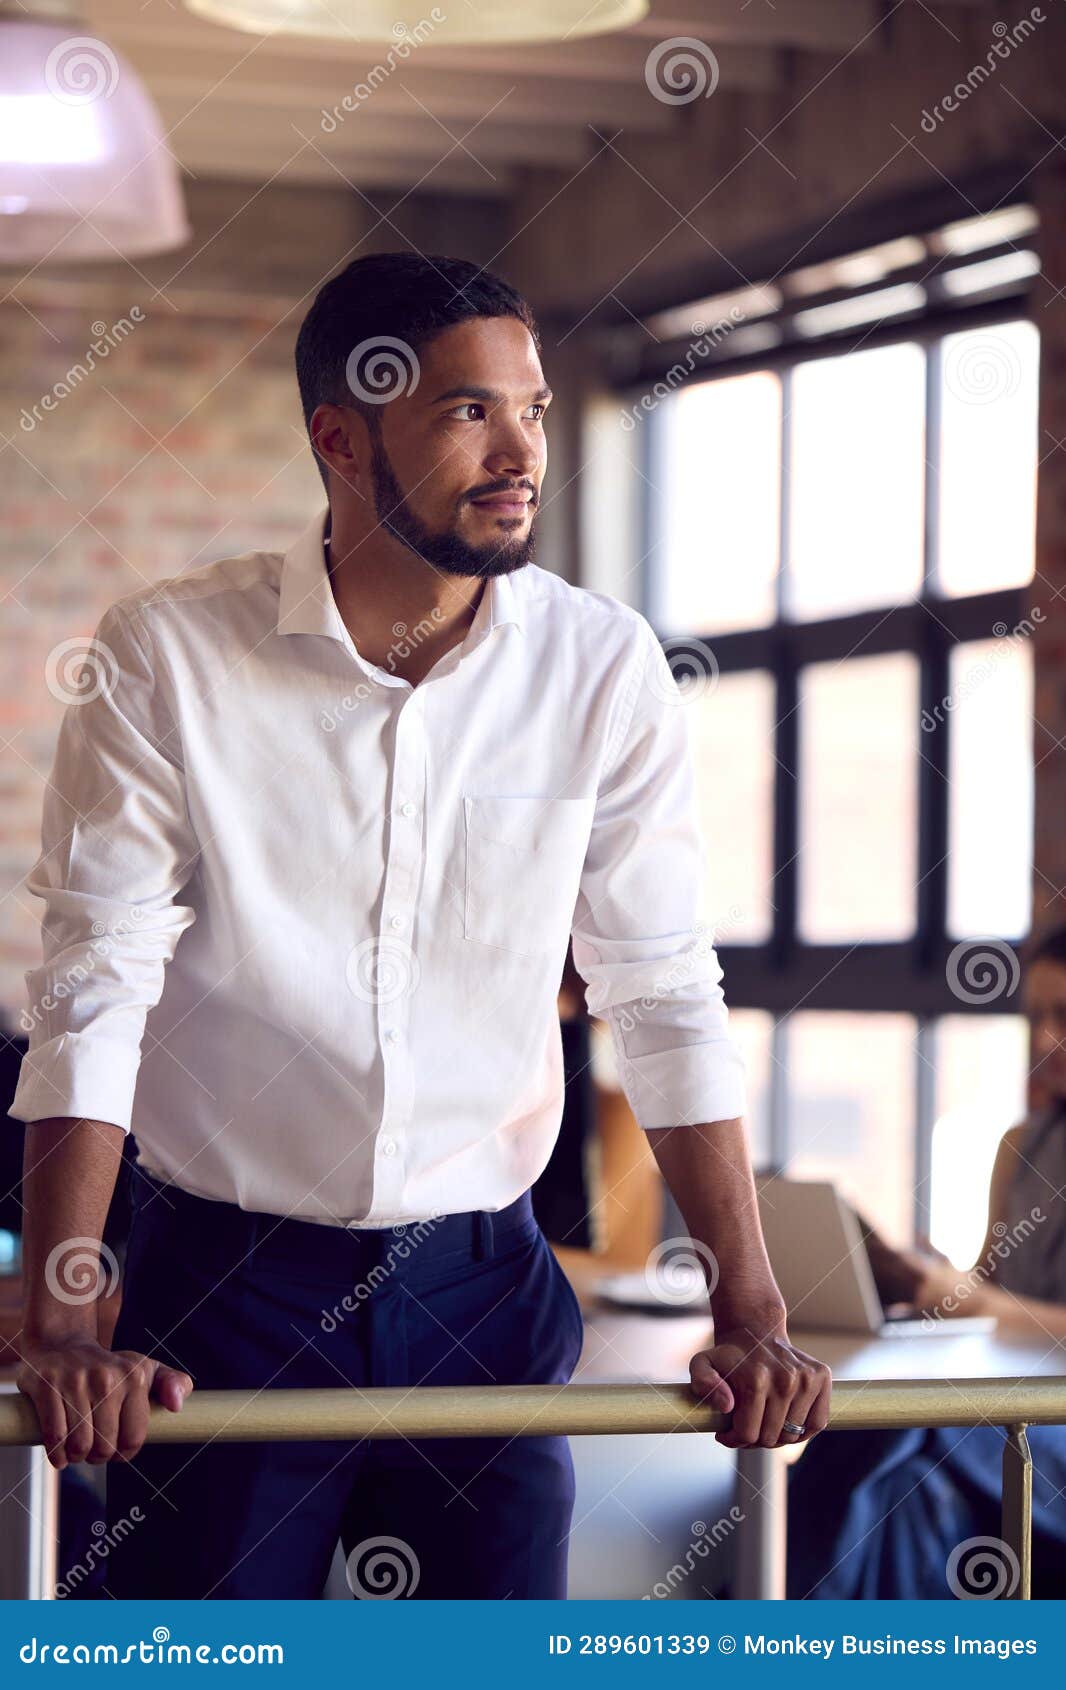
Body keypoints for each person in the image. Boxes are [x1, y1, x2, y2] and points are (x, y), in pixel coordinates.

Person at [10, 252, 830, 1600]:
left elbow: (662, 983)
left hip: (484, 1292)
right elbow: (97, 982)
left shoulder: (601, 663)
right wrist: (61, 1308)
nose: (520, 453)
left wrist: (746, 1308)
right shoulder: (170, 654)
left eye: (536, 409)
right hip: (226, 1288)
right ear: (340, 437)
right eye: (467, 412)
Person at [787, 923, 1066, 1599]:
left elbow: (994, 1308)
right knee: (903, 1492)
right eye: (1036, 1017)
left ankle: (772, 1614)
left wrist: (952, 1292)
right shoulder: (1023, 1145)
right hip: (1005, 1407)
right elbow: (991, 1290)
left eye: (1065, 1018)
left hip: (1048, 1419)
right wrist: (931, 1277)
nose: (1045, 1040)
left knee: (906, 1414)